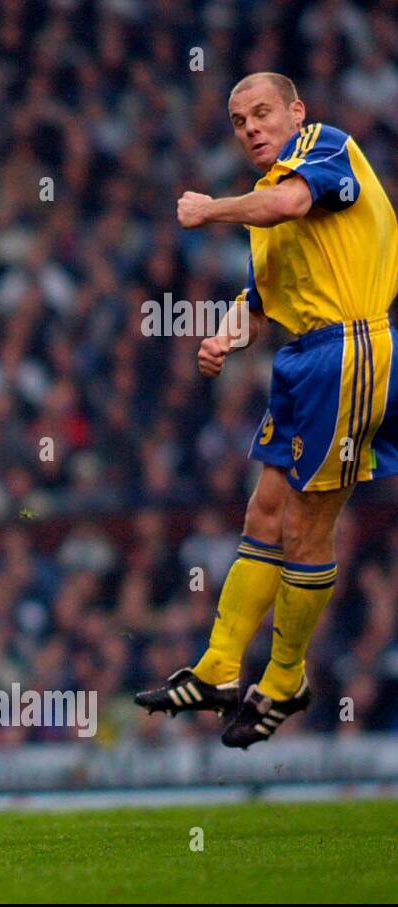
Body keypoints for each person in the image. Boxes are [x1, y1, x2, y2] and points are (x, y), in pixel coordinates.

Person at [136, 72, 398, 747]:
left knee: (307, 529)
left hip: (351, 349)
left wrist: (208, 210)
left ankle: (284, 679)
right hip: (301, 357)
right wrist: (225, 334)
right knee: (266, 513)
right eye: (238, 121)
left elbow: (290, 203)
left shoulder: (326, 148)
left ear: (296, 111)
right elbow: (259, 302)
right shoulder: (261, 199)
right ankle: (221, 667)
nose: (250, 128)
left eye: (261, 114)